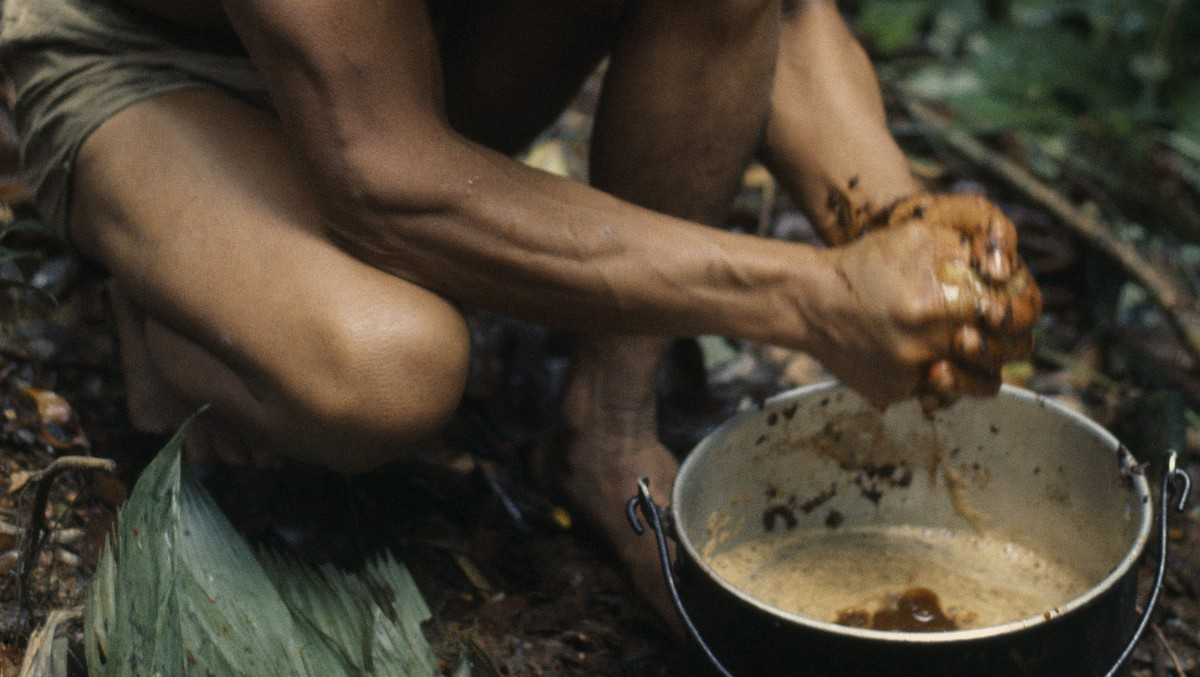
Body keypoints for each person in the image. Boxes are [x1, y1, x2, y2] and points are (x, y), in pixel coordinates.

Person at [0, 0, 1039, 621]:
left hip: (413, 46)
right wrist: (810, 296)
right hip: (165, 61)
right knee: (387, 366)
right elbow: (387, 178)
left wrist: (912, 239)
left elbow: (790, 20)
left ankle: (608, 431)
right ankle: (178, 289)